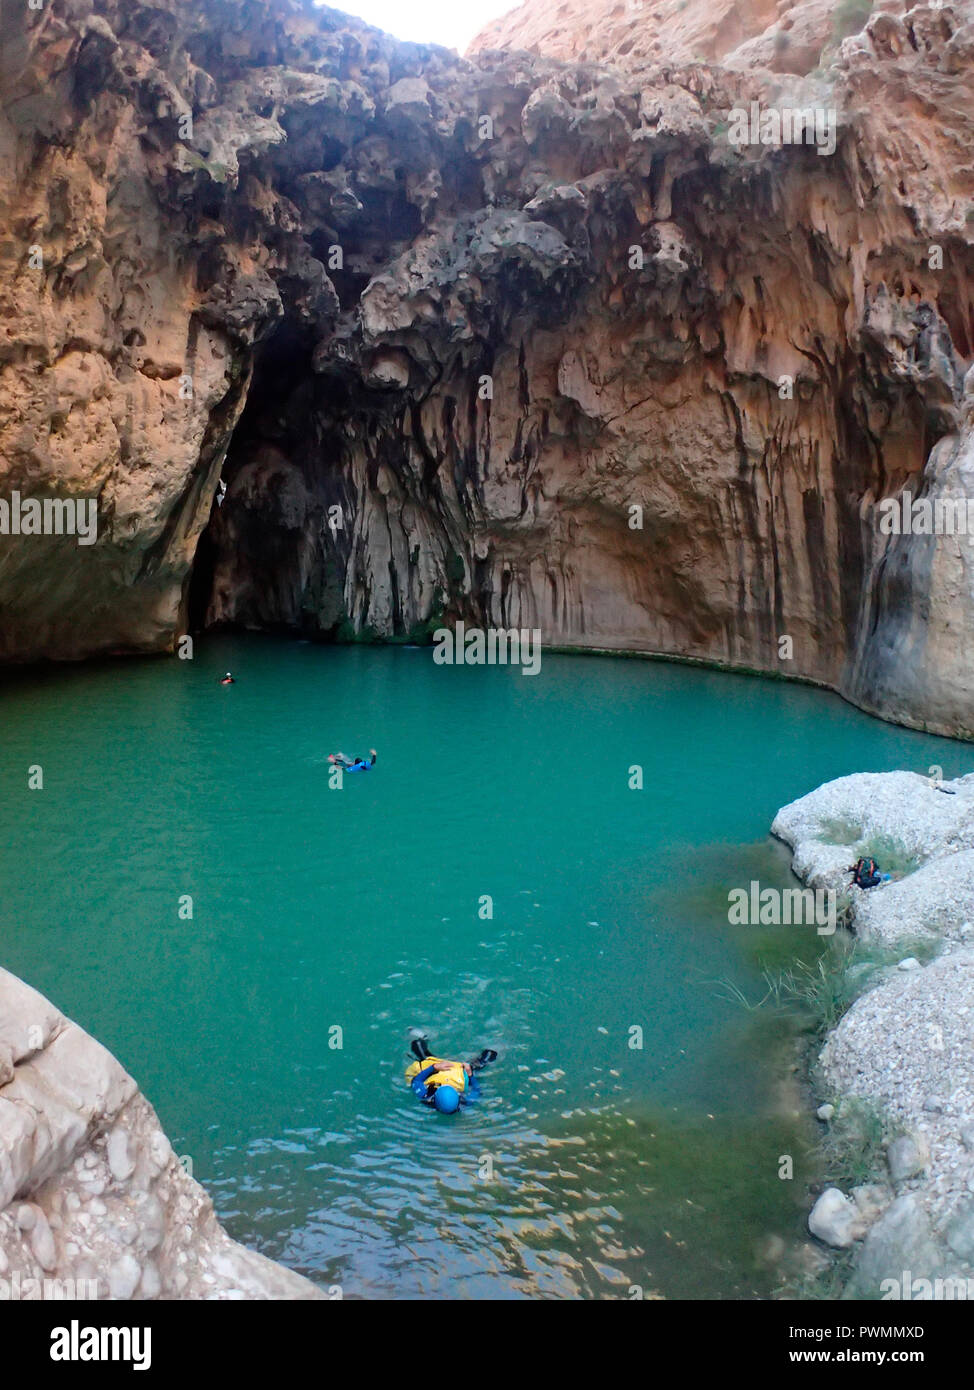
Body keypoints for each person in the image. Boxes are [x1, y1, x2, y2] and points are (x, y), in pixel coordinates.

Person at [405, 1035, 497, 1113]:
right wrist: (470, 1075)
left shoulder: (425, 1096)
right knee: (481, 1062)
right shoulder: (464, 1103)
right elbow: (476, 1090)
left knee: (422, 1054)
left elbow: (417, 1080)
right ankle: (491, 1050)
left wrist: (434, 1067)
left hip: (439, 1071)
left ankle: (420, 1041)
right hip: (458, 1073)